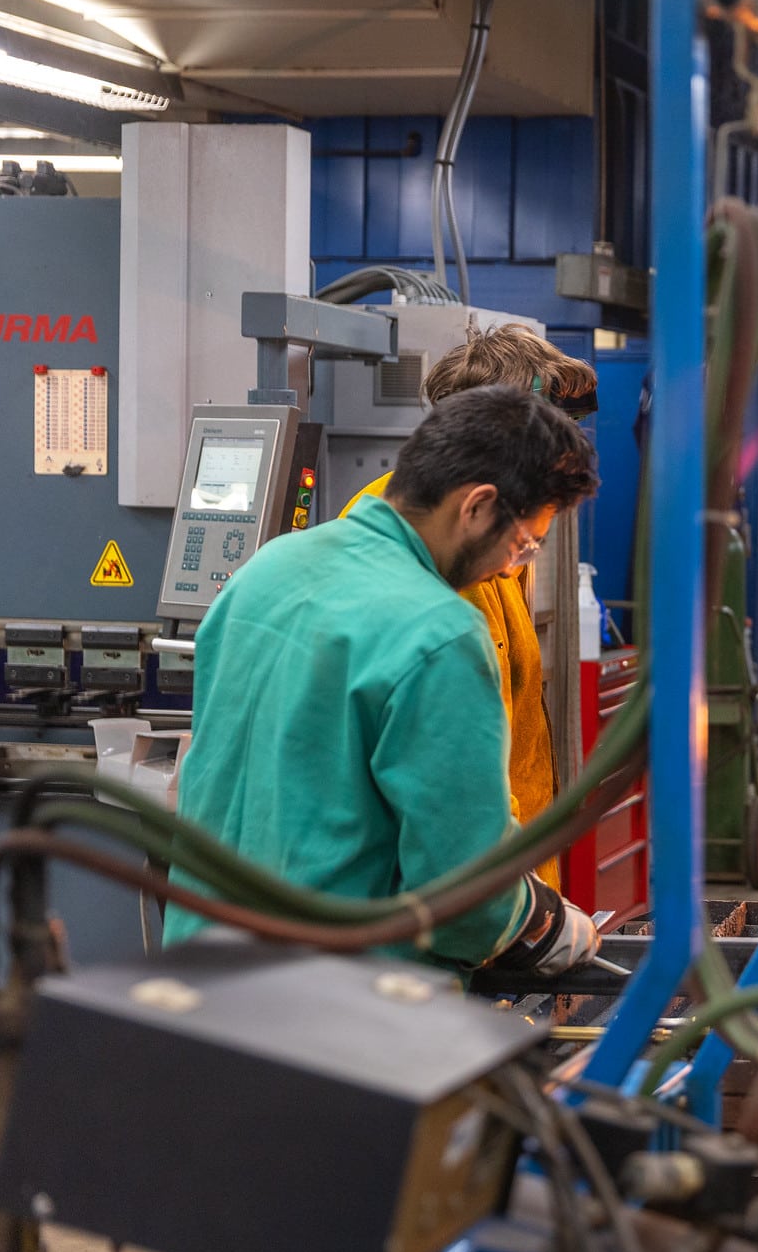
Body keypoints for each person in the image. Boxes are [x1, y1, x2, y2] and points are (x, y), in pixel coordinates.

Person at [166, 385, 604, 976]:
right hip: (333, 1006)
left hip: (200, 969)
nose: (512, 565)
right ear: (475, 506)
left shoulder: (265, 572)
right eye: (523, 543)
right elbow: (462, 900)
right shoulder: (441, 634)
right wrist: (539, 920)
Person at [342, 324, 598, 887]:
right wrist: (519, 919)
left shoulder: (486, 539)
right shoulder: (422, 566)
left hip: (506, 887)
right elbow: (443, 785)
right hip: (457, 901)